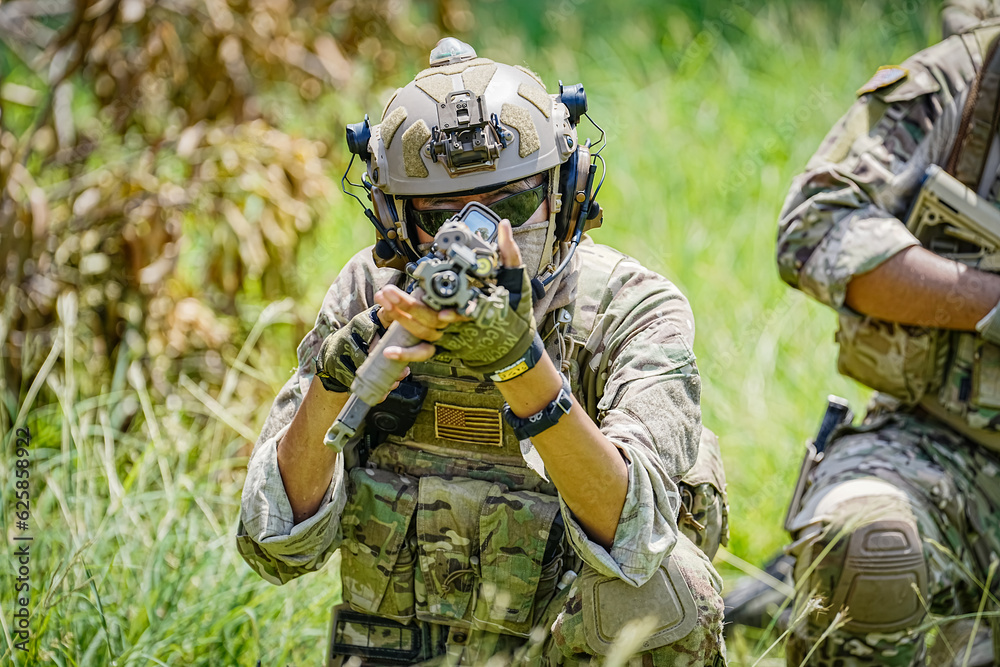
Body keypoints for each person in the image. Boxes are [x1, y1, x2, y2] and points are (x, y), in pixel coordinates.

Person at [236, 38, 728, 666]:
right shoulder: (369, 294)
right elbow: (273, 543)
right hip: (406, 651)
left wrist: (518, 364)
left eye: (513, 204)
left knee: (664, 597)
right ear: (395, 221)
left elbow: (636, 538)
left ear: (564, 194)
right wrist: (333, 385)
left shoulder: (629, 309)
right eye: (440, 214)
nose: (483, 235)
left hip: (564, 652)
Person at [775, 18, 1000, 667]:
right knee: (866, 542)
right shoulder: (954, 84)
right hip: (942, 447)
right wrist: (990, 301)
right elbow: (813, 224)